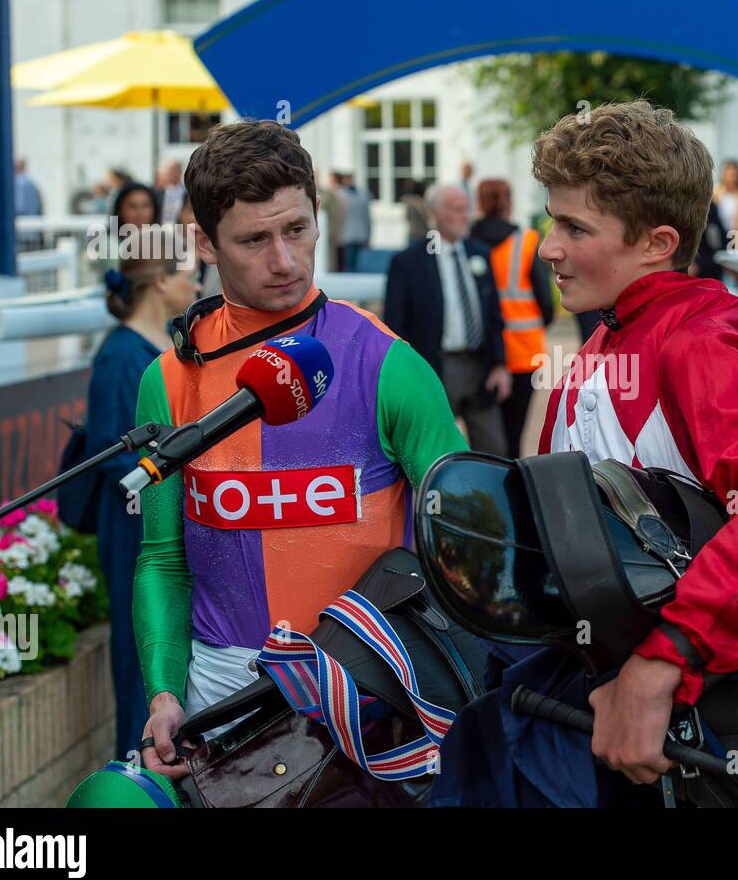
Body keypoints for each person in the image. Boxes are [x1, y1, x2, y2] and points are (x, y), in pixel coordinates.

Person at [430, 99, 738, 806]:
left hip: (695, 727)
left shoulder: (706, 337)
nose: (548, 248)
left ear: (656, 242)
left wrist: (664, 660)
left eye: (574, 227)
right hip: (584, 712)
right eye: (550, 219)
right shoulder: (596, 347)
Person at [135, 120, 468, 779]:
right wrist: (163, 693)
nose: (284, 260)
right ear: (203, 241)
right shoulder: (168, 379)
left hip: (371, 692)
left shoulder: (389, 364)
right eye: (254, 240)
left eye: (297, 229)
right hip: (225, 697)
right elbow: (164, 558)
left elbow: (465, 544)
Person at [87, 240, 200, 761]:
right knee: (139, 665)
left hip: (159, 523)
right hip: (133, 528)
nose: (197, 286)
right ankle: (135, 776)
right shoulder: (119, 355)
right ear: (160, 281)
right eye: (189, 275)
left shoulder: (168, 346)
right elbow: (110, 457)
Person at [384, 183, 512, 456]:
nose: (465, 216)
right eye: (457, 210)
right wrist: (410, 377)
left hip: (480, 366)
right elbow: (394, 326)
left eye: (467, 209)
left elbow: (493, 316)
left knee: (495, 451)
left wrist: (500, 364)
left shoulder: (480, 253)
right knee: (435, 452)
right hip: (436, 366)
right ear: (435, 213)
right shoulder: (409, 262)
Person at [470, 178, 555, 457]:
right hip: (524, 352)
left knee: (484, 438)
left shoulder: (466, 242)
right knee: (514, 434)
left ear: (479, 202)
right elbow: (545, 301)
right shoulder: (527, 242)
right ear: (509, 202)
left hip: (480, 354)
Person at [336, 172, 372, 272]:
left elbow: (367, 217)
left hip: (349, 234)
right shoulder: (363, 195)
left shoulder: (340, 195)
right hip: (357, 234)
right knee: (353, 263)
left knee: (350, 263)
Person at [155, 160, 185, 224]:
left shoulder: (187, 193)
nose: (171, 174)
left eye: (173, 170)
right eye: (169, 171)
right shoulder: (158, 193)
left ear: (180, 172)